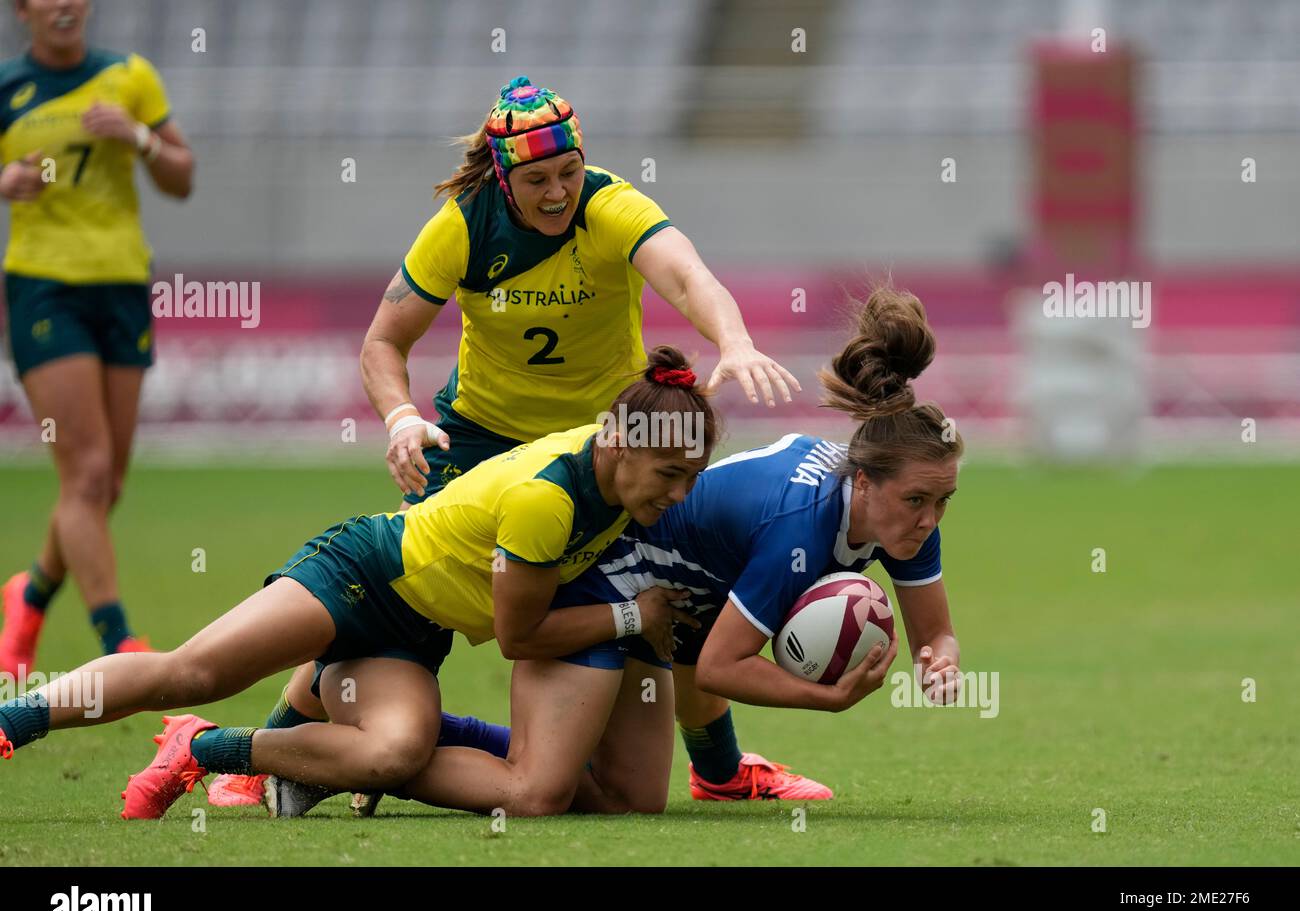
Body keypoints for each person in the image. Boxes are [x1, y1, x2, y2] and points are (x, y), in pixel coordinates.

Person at [207, 74, 816, 809]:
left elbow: (686, 276)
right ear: (503, 176)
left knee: (676, 597)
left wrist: (735, 340)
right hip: (479, 444)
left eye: (569, 172)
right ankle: (263, 759)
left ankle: (719, 773)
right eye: (537, 179)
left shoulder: (610, 205)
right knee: (399, 611)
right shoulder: (463, 225)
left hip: (603, 458)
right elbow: (383, 343)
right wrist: (402, 420)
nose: (558, 192)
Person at [271, 285, 965, 818]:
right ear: (864, 482)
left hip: (681, 592)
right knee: (542, 788)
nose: (929, 519)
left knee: (630, 798)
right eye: (918, 501)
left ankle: (717, 775)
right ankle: (357, 753)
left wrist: (940, 660)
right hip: (608, 574)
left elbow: (934, 634)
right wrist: (826, 699)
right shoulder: (799, 527)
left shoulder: (899, 507)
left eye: (942, 502)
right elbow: (720, 666)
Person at [0, 349, 715, 825]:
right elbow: (519, 637)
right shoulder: (548, 499)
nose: (679, 494)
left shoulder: (616, 467)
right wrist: (633, 618)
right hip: (359, 574)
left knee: (394, 754)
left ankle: (204, 747)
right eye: (669, 475)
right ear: (619, 442)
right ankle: (12, 722)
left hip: (411, 636)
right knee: (193, 672)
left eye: (691, 477)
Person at [0, 0, 195, 675]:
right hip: (45, 289)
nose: (65, 4)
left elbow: (182, 177)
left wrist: (140, 138)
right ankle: (123, 647)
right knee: (83, 473)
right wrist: (5, 181)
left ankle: (29, 596)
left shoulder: (129, 76)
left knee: (104, 483)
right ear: (23, 10)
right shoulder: (7, 88)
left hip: (122, 287)